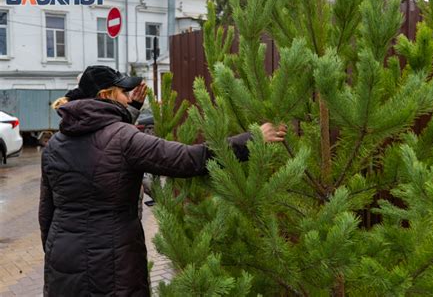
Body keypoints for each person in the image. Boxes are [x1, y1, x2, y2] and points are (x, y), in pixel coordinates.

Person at [39, 65, 287, 296]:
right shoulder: (124, 138)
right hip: (111, 261)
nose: (129, 98)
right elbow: (188, 159)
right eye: (124, 93)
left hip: (62, 258)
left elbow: (46, 214)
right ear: (106, 95)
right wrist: (250, 139)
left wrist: (55, 253)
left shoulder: (55, 145)